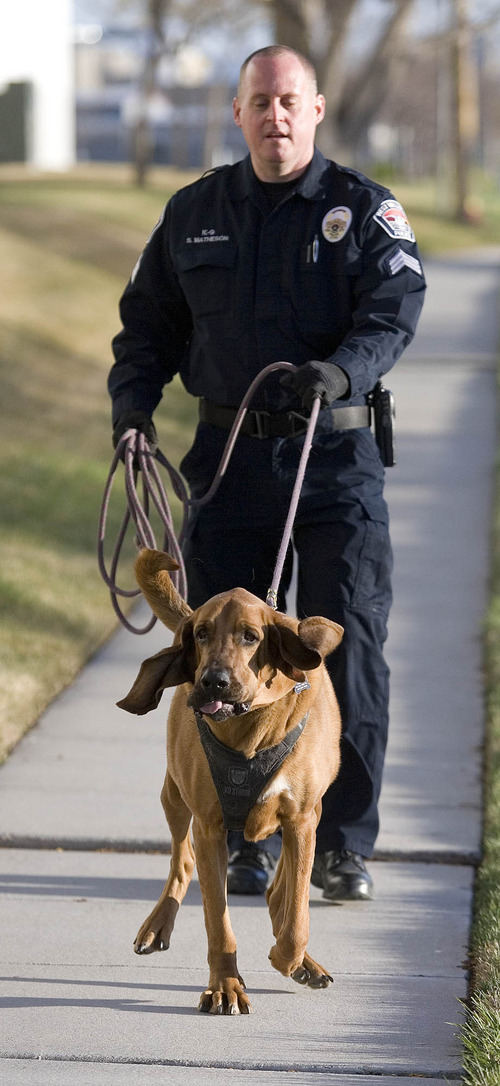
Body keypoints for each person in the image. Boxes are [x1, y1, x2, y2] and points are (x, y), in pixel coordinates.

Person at [109, 45, 426, 902]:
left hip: (335, 463)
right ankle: (241, 835)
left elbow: (395, 309)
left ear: (315, 108)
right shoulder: (193, 213)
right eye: (260, 102)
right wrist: (132, 409)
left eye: (290, 101)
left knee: (343, 650)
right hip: (228, 466)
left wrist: (345, 370)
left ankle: (342, 844)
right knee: (219, 661)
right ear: (239, 113)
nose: (275, 116)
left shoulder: (364, 209)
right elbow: (146, 327)